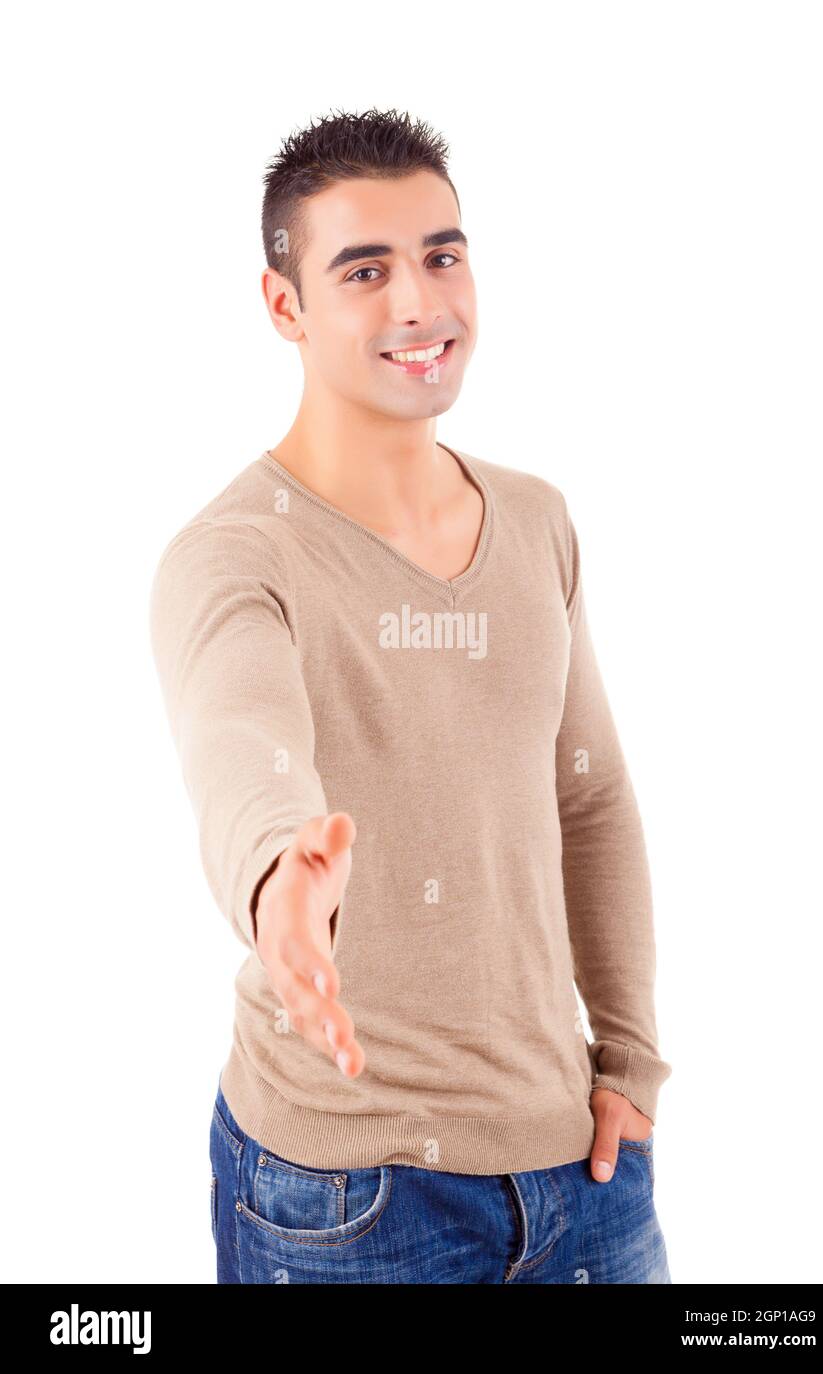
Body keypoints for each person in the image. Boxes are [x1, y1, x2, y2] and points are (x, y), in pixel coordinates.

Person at [149, 107, 673, 1284]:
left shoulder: (534, 517)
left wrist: (630, 1071)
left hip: (582, 1177)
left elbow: (586, 802)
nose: (417, 302)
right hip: (346, 1197)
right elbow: (242, 736)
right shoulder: (235, 555)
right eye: (365, 270)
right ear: (284, 307)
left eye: (440, 254)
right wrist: (279, 878)